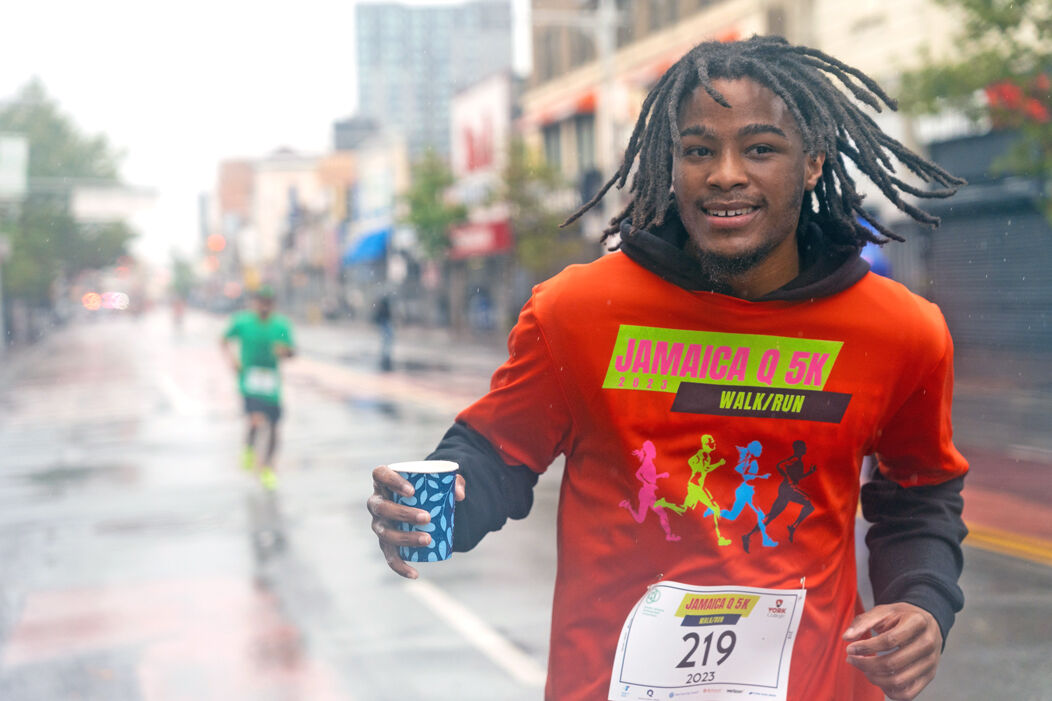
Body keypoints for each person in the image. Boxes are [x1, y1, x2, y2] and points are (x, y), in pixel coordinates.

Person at [368, 35, 968, 701]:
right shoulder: (578, 312)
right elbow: (492, 455)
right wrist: (434, 503)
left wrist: (921, 602)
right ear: (672, 163)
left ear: (812, 163)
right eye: (699, 150)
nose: (726, 174)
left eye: (760, 148)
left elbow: (919, 491)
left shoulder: (899, 330)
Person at [221, 286, 295, 490]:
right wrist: (232, 360)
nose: (264, 306)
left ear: (273, 304)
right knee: (255, 419)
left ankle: (268, 467)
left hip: (271, 383)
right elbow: (223, 339)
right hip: (249, 380)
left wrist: (285, 352)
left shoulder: (281, 324)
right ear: (255, 302)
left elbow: (291, 352)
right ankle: (249, 449)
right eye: (260, 301)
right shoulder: (242, 322)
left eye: (268, 302)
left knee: (273, 425)